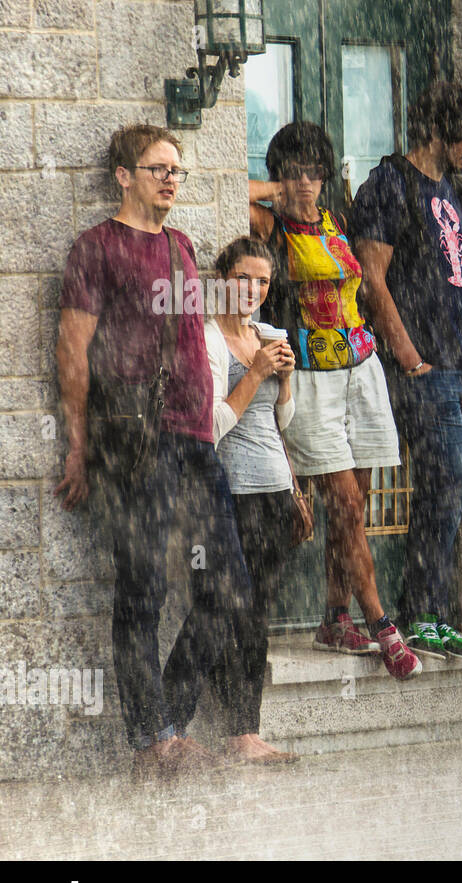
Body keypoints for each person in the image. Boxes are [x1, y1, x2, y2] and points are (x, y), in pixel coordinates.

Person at [55, 124, 251, 777]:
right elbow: (72, 349)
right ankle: (153, 739)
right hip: (135, 440)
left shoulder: (182, 246)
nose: (171, 178)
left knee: (227, 587)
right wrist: (78, 443)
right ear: (124, 175)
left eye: (177, 170)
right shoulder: (97, 248)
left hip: (196, 440)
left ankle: (169, 717)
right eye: (157, 168)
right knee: (141, 590)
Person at [249, 121, 421, 680]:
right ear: (279, 176)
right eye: (295, 173)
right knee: (344, 502)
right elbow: (221, 189)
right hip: (311, 378)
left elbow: (367, 284)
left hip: (361, 370)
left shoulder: (338, 219)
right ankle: (381, 624)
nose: (306, 183)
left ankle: (334, 615)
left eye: (315, 172)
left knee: (353, 511)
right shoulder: (270, 228)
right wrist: (270, 191)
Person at [351, 81, 462, 660]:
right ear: (437, 129)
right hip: (425, 367)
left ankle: (434, 610)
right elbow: (371, 276)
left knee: (451, 491)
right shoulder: (389, 183)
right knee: (449, 479)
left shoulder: (454, 189)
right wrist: (408, 355)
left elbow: (458, 271)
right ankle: (423, 614)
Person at [200, 237, 300, 765]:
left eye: (263, 281)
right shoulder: (210, 340)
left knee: (257, 611)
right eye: (244, 278)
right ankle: (234, 729)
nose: (254, 290)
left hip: (275, 489)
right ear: (222, 279)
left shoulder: (272, 334)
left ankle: (247, 728)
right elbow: (210, 426)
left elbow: (285, 422)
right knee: (228, 609)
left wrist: (283, 382)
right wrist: (257, 372)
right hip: (231, 493)